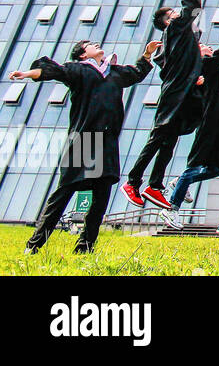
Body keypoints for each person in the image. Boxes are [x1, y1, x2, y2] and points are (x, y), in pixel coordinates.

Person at [15, 38, 160, 254]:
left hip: (107, 141)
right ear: (83, 54)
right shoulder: (78, 70)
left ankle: (85, 248)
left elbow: (137, 72)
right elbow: (51, 72)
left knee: (100, 199)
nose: (97, 45)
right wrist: (28, 74)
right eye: (90, 44)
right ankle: (34, 245)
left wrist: (147, 54)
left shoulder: (114, 73)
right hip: (83, 139)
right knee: (63, 193)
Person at [125, 0, 207, 210]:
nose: (178, 14)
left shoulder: (177, 41)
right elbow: (190, 6)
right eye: (172, 13)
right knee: (159, 138)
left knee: (169, 142)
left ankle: (155, 185)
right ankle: (132, 181)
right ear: (167, 21)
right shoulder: (175, 29)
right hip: (174, 94)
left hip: (182, 92)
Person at [163, 5, 219, 221]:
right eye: (203, 46)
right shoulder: (205, 66)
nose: (208, 48)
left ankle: (181, 180)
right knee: (195, 165)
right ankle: (171, 208)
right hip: (211, 124)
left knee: (217, 168)